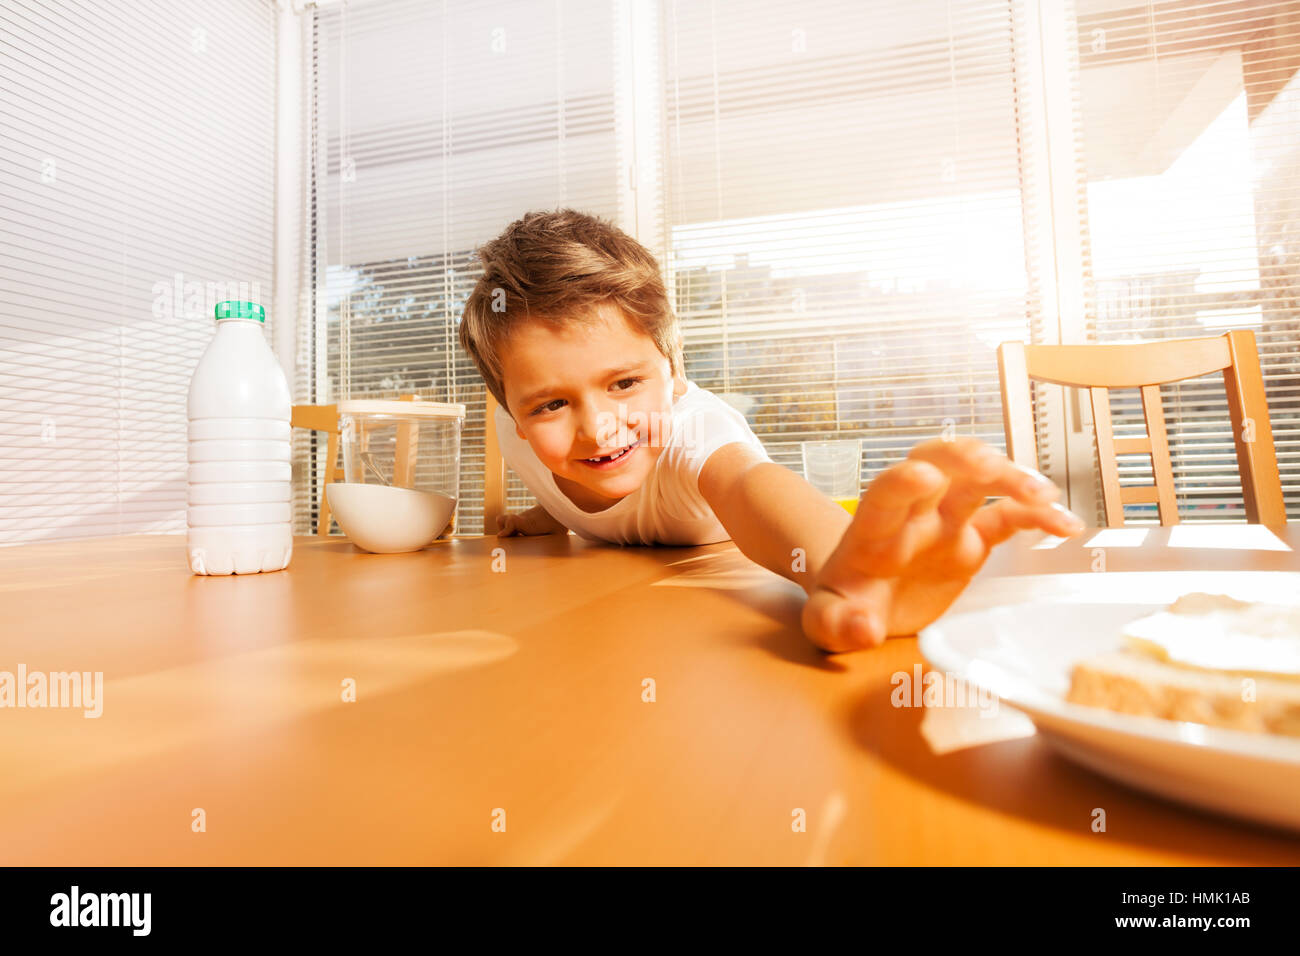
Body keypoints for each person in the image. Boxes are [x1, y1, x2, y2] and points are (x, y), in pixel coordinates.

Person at [458, 208, 1085, 652]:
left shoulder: (692, 435)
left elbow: (751, 486)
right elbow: (560, 480)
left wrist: (849, 573)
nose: (597, 429)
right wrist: (550, 516)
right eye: (551, 406)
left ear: (673, 372)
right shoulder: (515, 430)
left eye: (624, 384)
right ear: (512, 409)